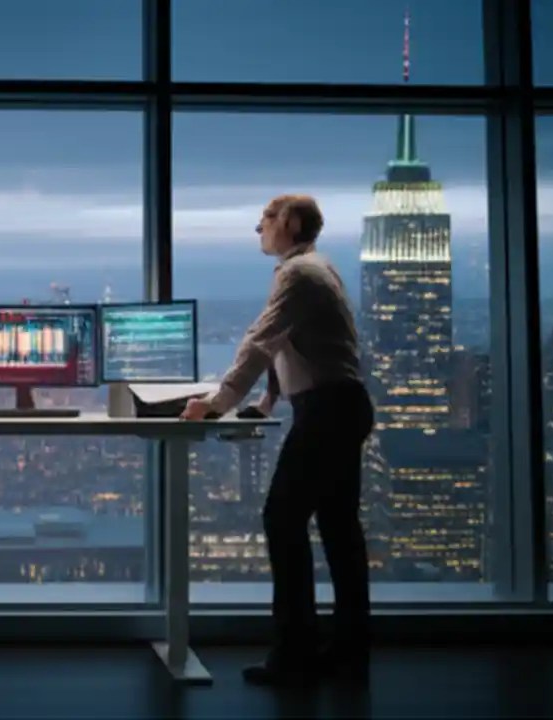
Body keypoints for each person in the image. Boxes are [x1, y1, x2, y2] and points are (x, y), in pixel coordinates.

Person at [180, 194, 374, 687]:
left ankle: (295, 653)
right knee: (338, 532)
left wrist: (218, 402)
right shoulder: (317, 269)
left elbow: (260, 341)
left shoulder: (297, 275)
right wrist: (267, 403)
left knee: (283, 520)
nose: (258, 228)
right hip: (341, 406)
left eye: (266, 219)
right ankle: (348, 651)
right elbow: (293, 345)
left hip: (327, 412)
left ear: (288, 223)